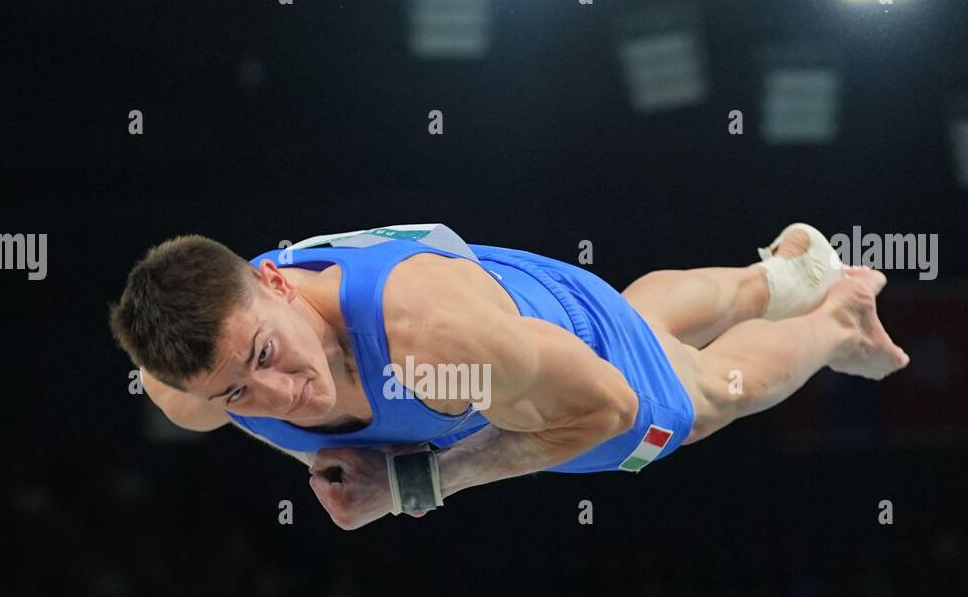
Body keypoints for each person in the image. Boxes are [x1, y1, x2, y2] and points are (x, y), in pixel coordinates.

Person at [107, 223, 908, 530]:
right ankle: (778, 279)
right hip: (505, 332)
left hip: (554, 346)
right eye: (238, 394)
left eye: (264, 357)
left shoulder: (431, 345)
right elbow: (216, 374)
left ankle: (835, 318)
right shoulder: (191, 388)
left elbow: (605, 407)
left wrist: (412, 486)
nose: (283, 398)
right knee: (648, 321)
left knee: (691, 403)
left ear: (275, 281)